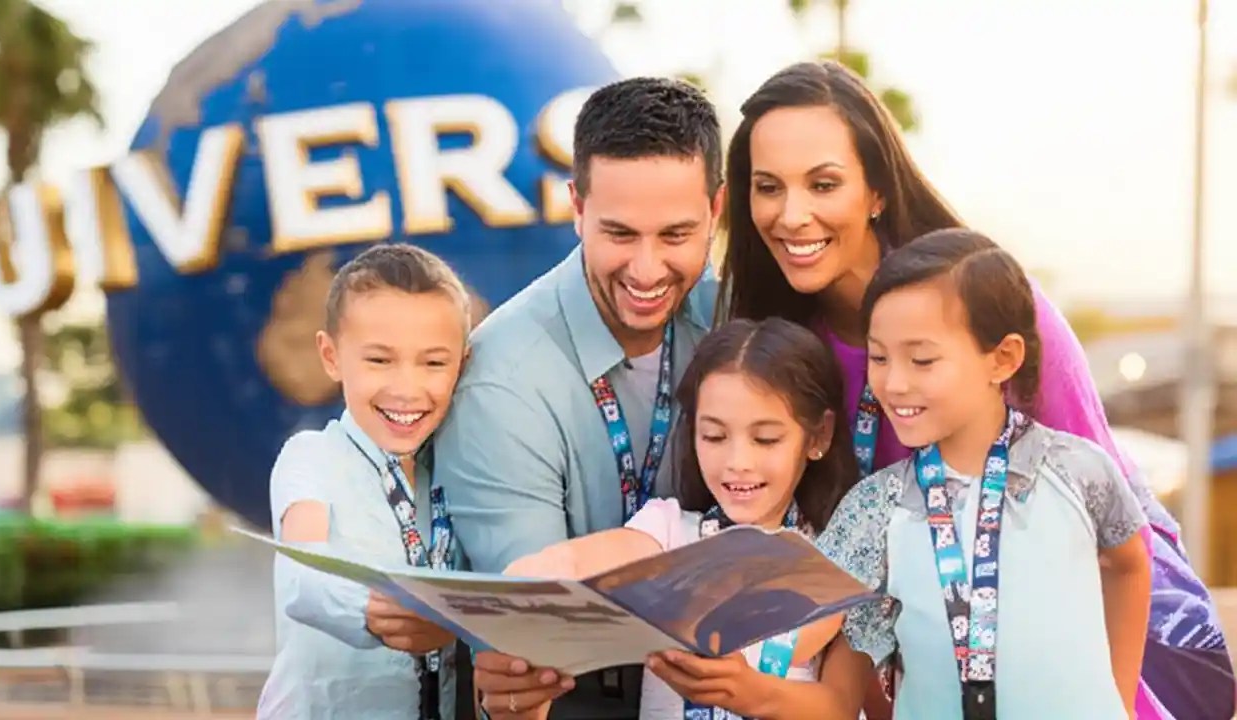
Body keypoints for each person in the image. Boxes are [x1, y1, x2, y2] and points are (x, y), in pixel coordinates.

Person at [717, 60, 1232, 719]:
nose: (792, 215)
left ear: (876, 189)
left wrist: (1116, 698)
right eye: (767, 187)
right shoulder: (778, 348)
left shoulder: (995, 314)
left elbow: (1109, 533)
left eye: (823, 183)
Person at [433, 76, 725, 719]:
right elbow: (544, 628)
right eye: (619, 234)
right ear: (576, 207)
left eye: (675, 235)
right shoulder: (502, 379)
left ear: (717, 209)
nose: (647, 270)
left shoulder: (737, 323)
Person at [817, 228, 1152, 718]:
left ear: (1003, 358)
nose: (894, 382)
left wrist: (1118, 702)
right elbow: (827, 632)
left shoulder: (1079, 472)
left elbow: (1130, 565)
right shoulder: (875, 507)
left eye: (923, 359)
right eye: (879, 357)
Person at [500, 317, 870, 720]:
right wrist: (526, 578)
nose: (737, 463)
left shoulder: (843, 556)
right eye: (713, 436)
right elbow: (580, 562)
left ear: (818, 436)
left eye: (765, 439)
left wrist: (745, 691)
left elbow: (840, 707)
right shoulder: (669, 532)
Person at [258, 243, 474, 720]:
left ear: (465, 361)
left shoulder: (465, 470)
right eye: (379, 360)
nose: (407, 387)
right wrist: (373, 609)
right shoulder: (311, 456)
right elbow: (302, 574)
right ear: (331, 356)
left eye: (434, 363)